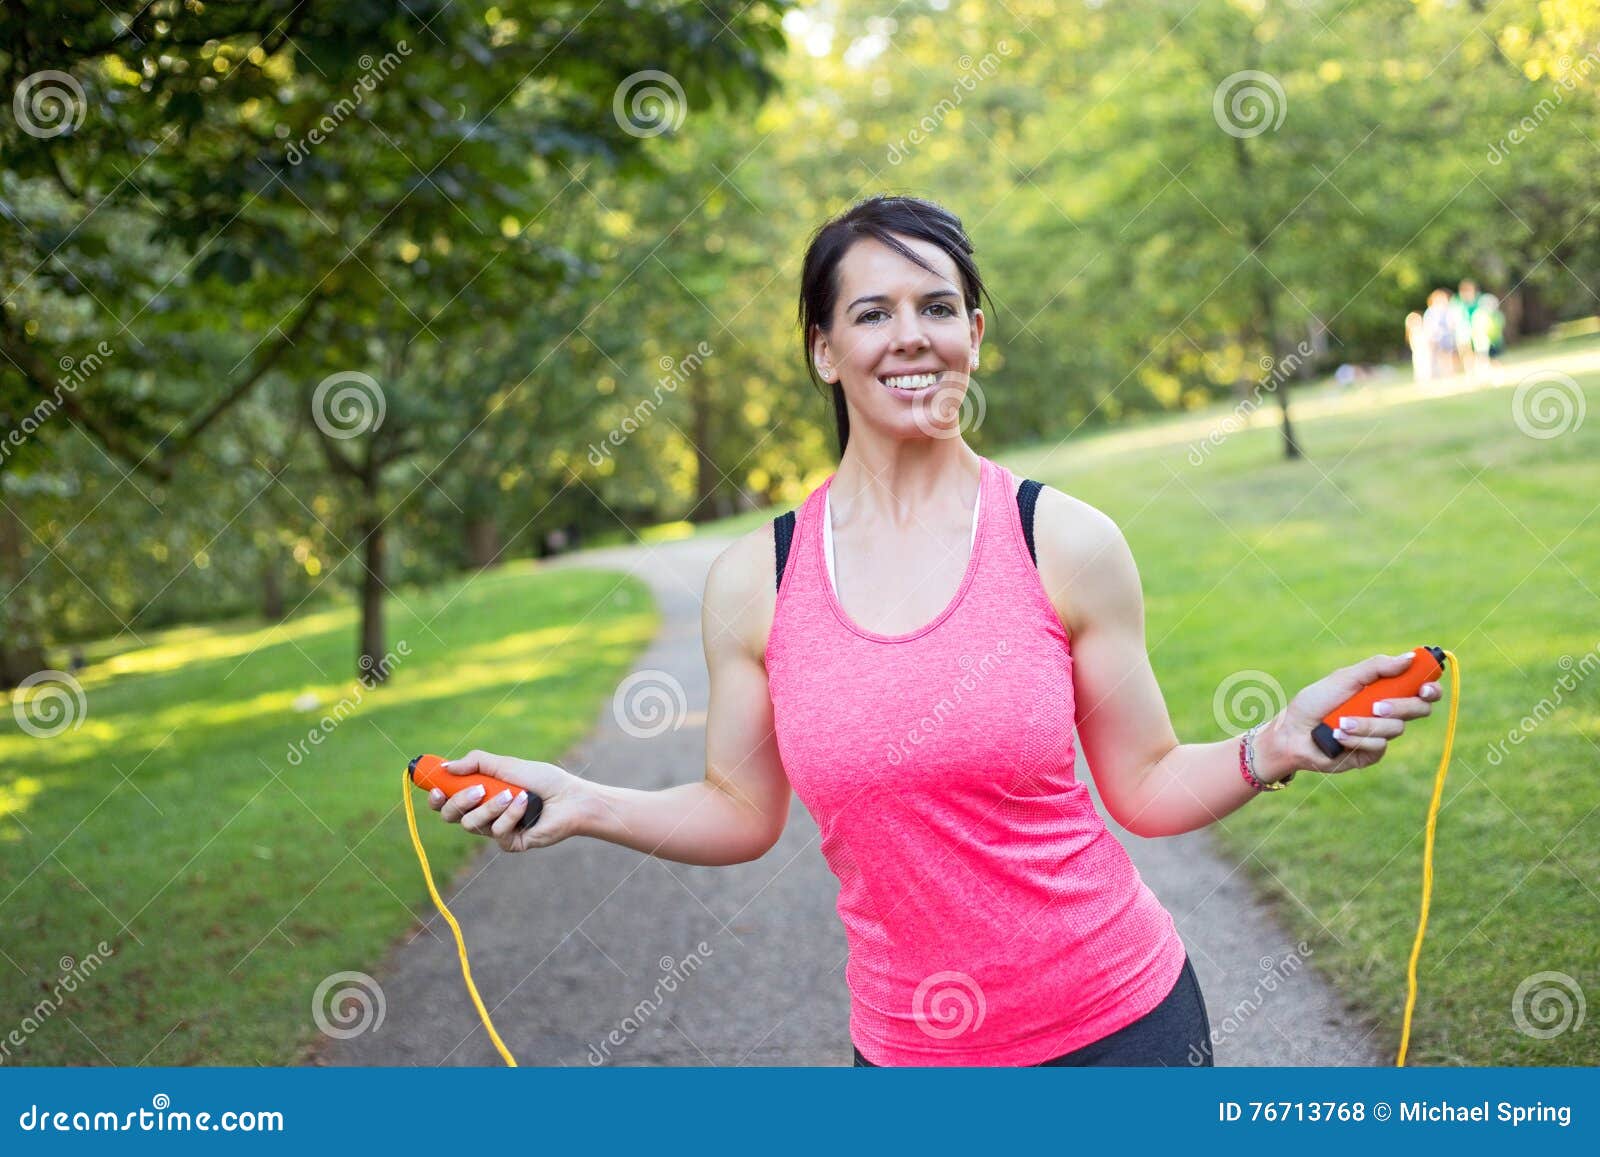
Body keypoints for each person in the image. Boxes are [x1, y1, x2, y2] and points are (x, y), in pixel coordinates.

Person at [426, 194, 1444, 1067]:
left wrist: (1274, 744)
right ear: (824, 351)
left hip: (1125, 1026)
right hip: (914, 1059)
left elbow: (1142, 785)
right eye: (872, 312)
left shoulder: (1064, 541)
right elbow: (741, 809)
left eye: (938, 307)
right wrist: (585, 798)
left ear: (975, 334)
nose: (910, 336)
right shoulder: (757, 581)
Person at [1423, 288, 1458, 377]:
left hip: (1447, 337)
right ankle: (1441, 373)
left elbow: (1452, 323)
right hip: (1435, 337)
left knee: (1449, 355)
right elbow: (1428, 325)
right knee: (1439, 356)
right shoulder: (1430, 311)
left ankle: (1450, 373)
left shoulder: (1448, 310)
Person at [1405, 310, 1431, 382]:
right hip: (1419, 354)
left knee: (1428, 370)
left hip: (1426, 353)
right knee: (1421, 370)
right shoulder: (1413, 332)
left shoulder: (1423, 330)